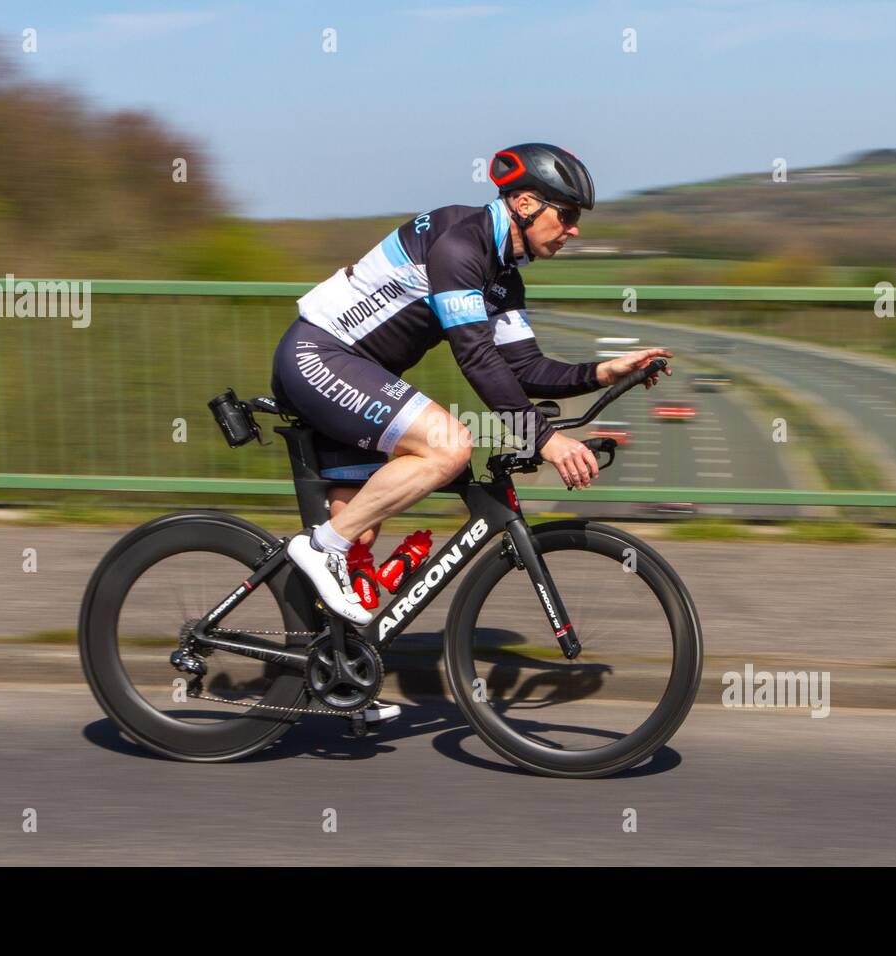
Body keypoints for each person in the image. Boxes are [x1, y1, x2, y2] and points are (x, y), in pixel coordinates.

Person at [270, 143, 671, 722]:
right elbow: (478, 358)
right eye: (569, 215)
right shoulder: (460, 246)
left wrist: (603, 371)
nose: (575, 231)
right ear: (527, 204)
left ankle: (338, 675)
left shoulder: (502, 276)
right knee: (450, 446)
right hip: (318, 357)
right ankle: (316, 548)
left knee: (359, 530)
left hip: (352, 371)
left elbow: (526, 369)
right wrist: (543, 439)